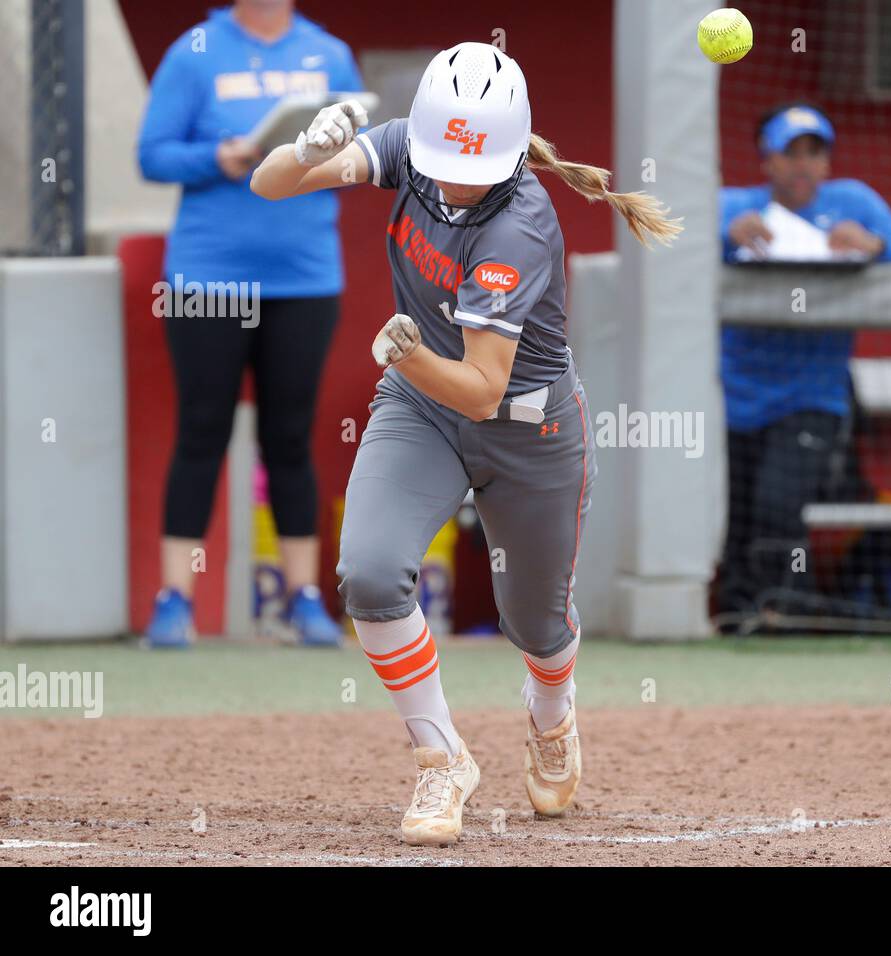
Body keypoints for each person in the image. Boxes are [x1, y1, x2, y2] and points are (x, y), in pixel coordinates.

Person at [251, 42, 680, 845]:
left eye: (468, 164)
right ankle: (441, 759)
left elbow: (483, 388)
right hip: (421, 409)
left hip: (528, 431)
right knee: (372, 576)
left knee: (538, 627)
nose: (449, 177)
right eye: (441, 157)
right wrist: (305, 152)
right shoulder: (412, 147)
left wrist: (409, 351)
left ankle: (551, 717)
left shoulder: (519, 226)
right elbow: (266, 185)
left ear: (510, 152)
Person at [137, 0, 361, 647]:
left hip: (305, 277)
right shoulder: (195, 51)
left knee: (289, 437)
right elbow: (153, 156)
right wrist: (221, 158)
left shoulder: (329, 54)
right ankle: (175, 600)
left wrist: (311, 158)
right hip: (209, 278)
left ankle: (305, 600)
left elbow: (359, 159)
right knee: (201, 431)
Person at [716, 103, 891, 626]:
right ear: (767, 160)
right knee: (737, 517)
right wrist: (726, 235)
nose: (803, 164)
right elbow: (667, 244)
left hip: (814, 395)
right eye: (790, 152)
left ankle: (787, 614)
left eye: (814, 152)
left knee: (778, 504)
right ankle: (737, 615)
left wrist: (875, 245)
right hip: (732, 393)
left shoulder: (853, 202)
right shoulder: (734, 205)